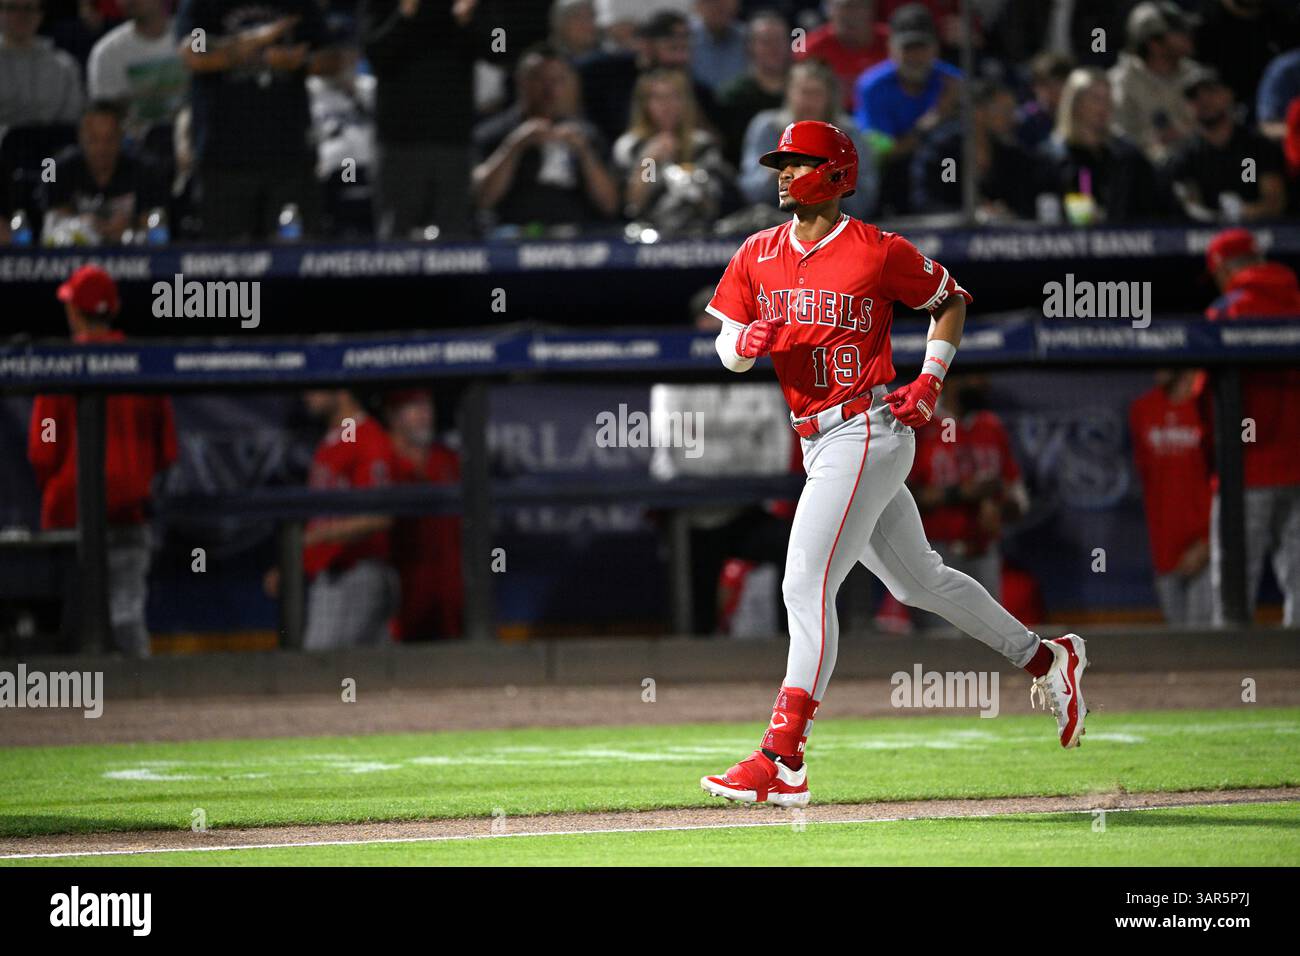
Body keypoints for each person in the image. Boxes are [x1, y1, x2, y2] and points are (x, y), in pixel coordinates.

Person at [699, 120, 1088, 807]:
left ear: (838, 172)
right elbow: (727, 346)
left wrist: (931, 380)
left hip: (866, 428)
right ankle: (1047, 657)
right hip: (817, 438)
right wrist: (745, 344)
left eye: (799, 162)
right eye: (780, 163)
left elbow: (950, 302)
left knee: (804, 583)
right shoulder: (757, 251)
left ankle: (782, 757)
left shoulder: (878, 250)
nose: (784, 173)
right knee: (919, 584)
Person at [27, 265, 177, 657]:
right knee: (126, 616)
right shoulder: (145, 365)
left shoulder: (58, 368)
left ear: (76, 311)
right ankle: (144, 700)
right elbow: (166, 453)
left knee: (70, 624)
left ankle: (73, 710)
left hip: (70, 517)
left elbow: (44, 449)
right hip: (129, 513)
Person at [175, 0, 343, 240]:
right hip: (223, 161)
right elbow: (195, 55)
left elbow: (333, 58)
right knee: (227, 270)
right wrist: (260, 41)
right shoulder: (203, 5)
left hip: (290, 158)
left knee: (296, 264)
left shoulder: (299, 6)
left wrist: (299, 62)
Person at [1202, 228, 1300, 627]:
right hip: (1298, 467)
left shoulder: (1227, 310)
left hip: (1246, 468)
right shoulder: (1296, 301)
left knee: (1232, 592)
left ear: (1223, 268)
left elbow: (1204, 399)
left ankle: (1233, 681)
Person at [272, 389, 402, 650]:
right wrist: (296, 561)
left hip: (357, 573)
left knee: (318, 668)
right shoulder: (333, 439)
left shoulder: (367, 437)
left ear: (341, 391)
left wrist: (309, 540)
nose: (306, 395)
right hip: (333, 575)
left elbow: (379, 516)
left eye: (316, 387)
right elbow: (322, 520)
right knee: (368, 673)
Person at [907, 374, 1028, 627]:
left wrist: (998, 507)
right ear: (948, 383)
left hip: (984, 551)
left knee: (992, 636)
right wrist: (960, 493)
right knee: (941, 641)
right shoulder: (921, 424)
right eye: (971, 376)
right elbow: (902, 495)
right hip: (935, 551)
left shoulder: (991, 426)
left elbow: (1019, 498)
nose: (981, 385)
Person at [361, 0, 484, 240]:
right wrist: (404, 13)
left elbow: (497, 48)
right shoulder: (382, 6)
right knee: (396, 241)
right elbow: (375, 55)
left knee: (456, 241)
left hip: (454, 142)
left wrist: (467, 21)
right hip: (400, 142)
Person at [473, 44, 618, 233]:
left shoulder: (588, 135)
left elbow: (610, 205)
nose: (550, 89)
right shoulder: (494, 132)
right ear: (521, 81)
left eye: (558, 80)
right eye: (540, 79)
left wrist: (584, 153)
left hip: (576, 238)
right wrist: (515, 146)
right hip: (511, 236)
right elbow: (482, 199)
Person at [853, 3, 960, 215]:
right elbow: (881, 153)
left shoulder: (954, 82)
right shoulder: (872, 86)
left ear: (935, 48)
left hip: (942, 174)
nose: (915, 56)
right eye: (907, 48)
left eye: (922, 48)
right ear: (891, 48)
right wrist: (933, 120)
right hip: (891, 178)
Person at [740, 59, 877, 220]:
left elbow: (865, 200)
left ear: (829, 97)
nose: (809, 102)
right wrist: (779, 171)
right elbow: (749, 191)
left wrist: (828, 179)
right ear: (789, 93)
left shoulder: (849, 133)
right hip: (773, 222)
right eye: (804, 93)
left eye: (817, 93)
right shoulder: (767, 128)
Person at [1129, 369, 1213, 626]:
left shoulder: (1208, 405)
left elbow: (1228, 482)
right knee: (1179, 644)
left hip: (1207, 546)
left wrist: (1209, 542)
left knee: (1206, 645)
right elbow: (1149, 482)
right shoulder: (1142, 409)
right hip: (1165, 549)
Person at [1039, 67, 1172, 223]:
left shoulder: (1127, 155)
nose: (1104, 107)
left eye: (1108, 99)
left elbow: (1159, 205)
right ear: (1075, 103)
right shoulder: (1053, 156)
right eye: (1096, 99)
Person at [386, 389, 463, 641]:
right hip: (398, 580)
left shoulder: (448, 459)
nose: (423, 415)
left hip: (447, 582)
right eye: (413, 407)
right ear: (393, 416)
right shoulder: (382, 458)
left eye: (426, 406)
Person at [613, 67, 728, 232]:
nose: (666, 105)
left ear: (686, 103)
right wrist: (649, 159)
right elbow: (634, 204)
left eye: (674, 97)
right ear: (645, 104)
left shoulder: (702, 145)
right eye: (658, 98)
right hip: (649, 237)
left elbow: (711, 206)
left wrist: (690, 181)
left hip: (698, 236)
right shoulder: (631, 145)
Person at [39, 100, 168, 245]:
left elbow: (155, 228)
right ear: (81, 138)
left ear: (121, 137)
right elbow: (52, 225)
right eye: (93, 139)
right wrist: (80, 225)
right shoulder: (53, 167)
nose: (102, 148)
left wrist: (129, 229)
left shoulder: (147, 169)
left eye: (109, 139)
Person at [1167, 69, 1287, 224]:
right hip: (1205, 238)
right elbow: (1189, 205)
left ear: (1229, 95)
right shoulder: (1185, 156)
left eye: (1211, 91)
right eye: (1194, 96)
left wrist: (1243, 211)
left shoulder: (1257, 147)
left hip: (1258, 233)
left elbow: (1275, 202)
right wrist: (1216, 217)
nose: (1203, 100)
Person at [910, 78, 1041, 220]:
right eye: (1004, 111)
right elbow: (932, 200)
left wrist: (1004, 211)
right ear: (978, 113)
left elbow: (1025, 200)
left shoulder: (1010, 154)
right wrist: (973, 215)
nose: (1012, 118)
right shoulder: (947, 155)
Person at [1107, 1, 1203, 165]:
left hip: (1197, 168)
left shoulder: (1195, 74)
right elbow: (1118, 141)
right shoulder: (1120, 82)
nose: (1187, 36)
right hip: (1145, 173)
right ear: (1154, 44)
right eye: (1178, 33)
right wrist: (1154, 142)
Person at [86, 0, 187, 143]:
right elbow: (105, 122)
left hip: (191, 141)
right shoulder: (106, 53)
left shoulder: (191, 38)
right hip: (134, 150)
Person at [715, 10, 790, 165]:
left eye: (779, 40)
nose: (774, 48)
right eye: (766, 42)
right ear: (750, 46)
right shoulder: (733, 96)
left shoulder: (802, 91)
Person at [0, 0, 84, 136]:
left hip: (50, 152)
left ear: (40, 14)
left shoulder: (64, 66)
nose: (21, 16)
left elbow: (71, 121)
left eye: (29, 8)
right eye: (12, 8)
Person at [796, 0, 886, 113]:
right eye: (845, 6)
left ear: (872, 10)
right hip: (830, 119)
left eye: (859, 6)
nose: (852, 14)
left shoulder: (890, 43)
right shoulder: (812, 48)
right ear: (829, 9)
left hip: (881, 117)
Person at [1017, 51, 1074, 152]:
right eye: (1047, 84)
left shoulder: (1078, 117)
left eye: (1062, 84)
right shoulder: (1024, 119)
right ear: (1035, 87)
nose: (1056, 91)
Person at [689, 0, 746, 94]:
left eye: (726, 2)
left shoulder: (749, 38)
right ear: (698, 6)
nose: (720, 6)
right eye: (712, 2)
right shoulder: (685, 38)